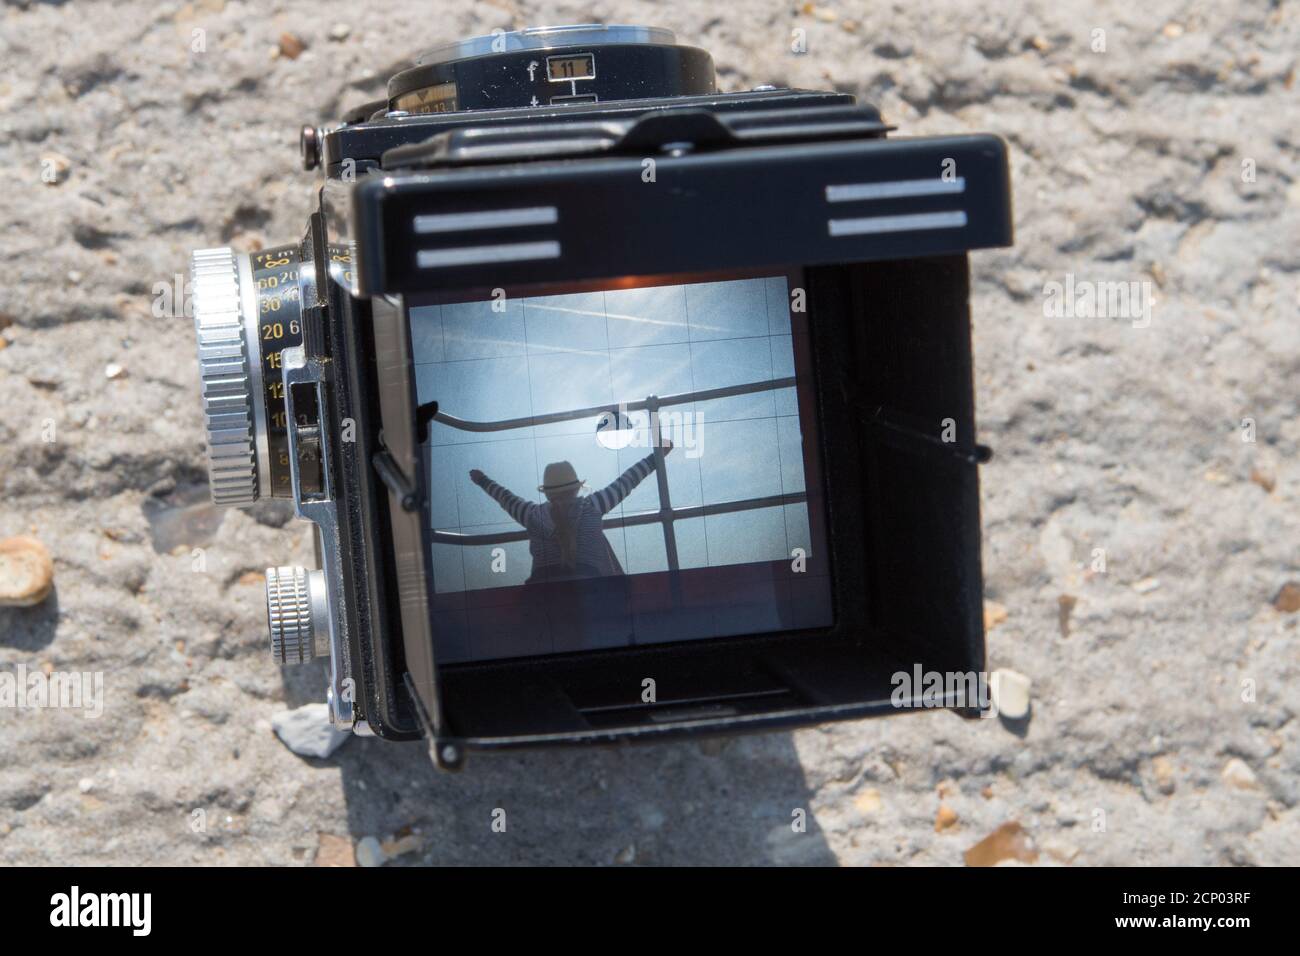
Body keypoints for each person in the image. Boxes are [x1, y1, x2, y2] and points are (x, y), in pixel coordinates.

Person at [469, 437, 674, 583]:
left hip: (541, 595)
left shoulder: (531, 515)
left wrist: (482, 480)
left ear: (547, 493)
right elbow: (628, 480)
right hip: (593, 589)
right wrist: (656, 456)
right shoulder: (592, 506)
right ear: (577, 488)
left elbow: (505, 498)